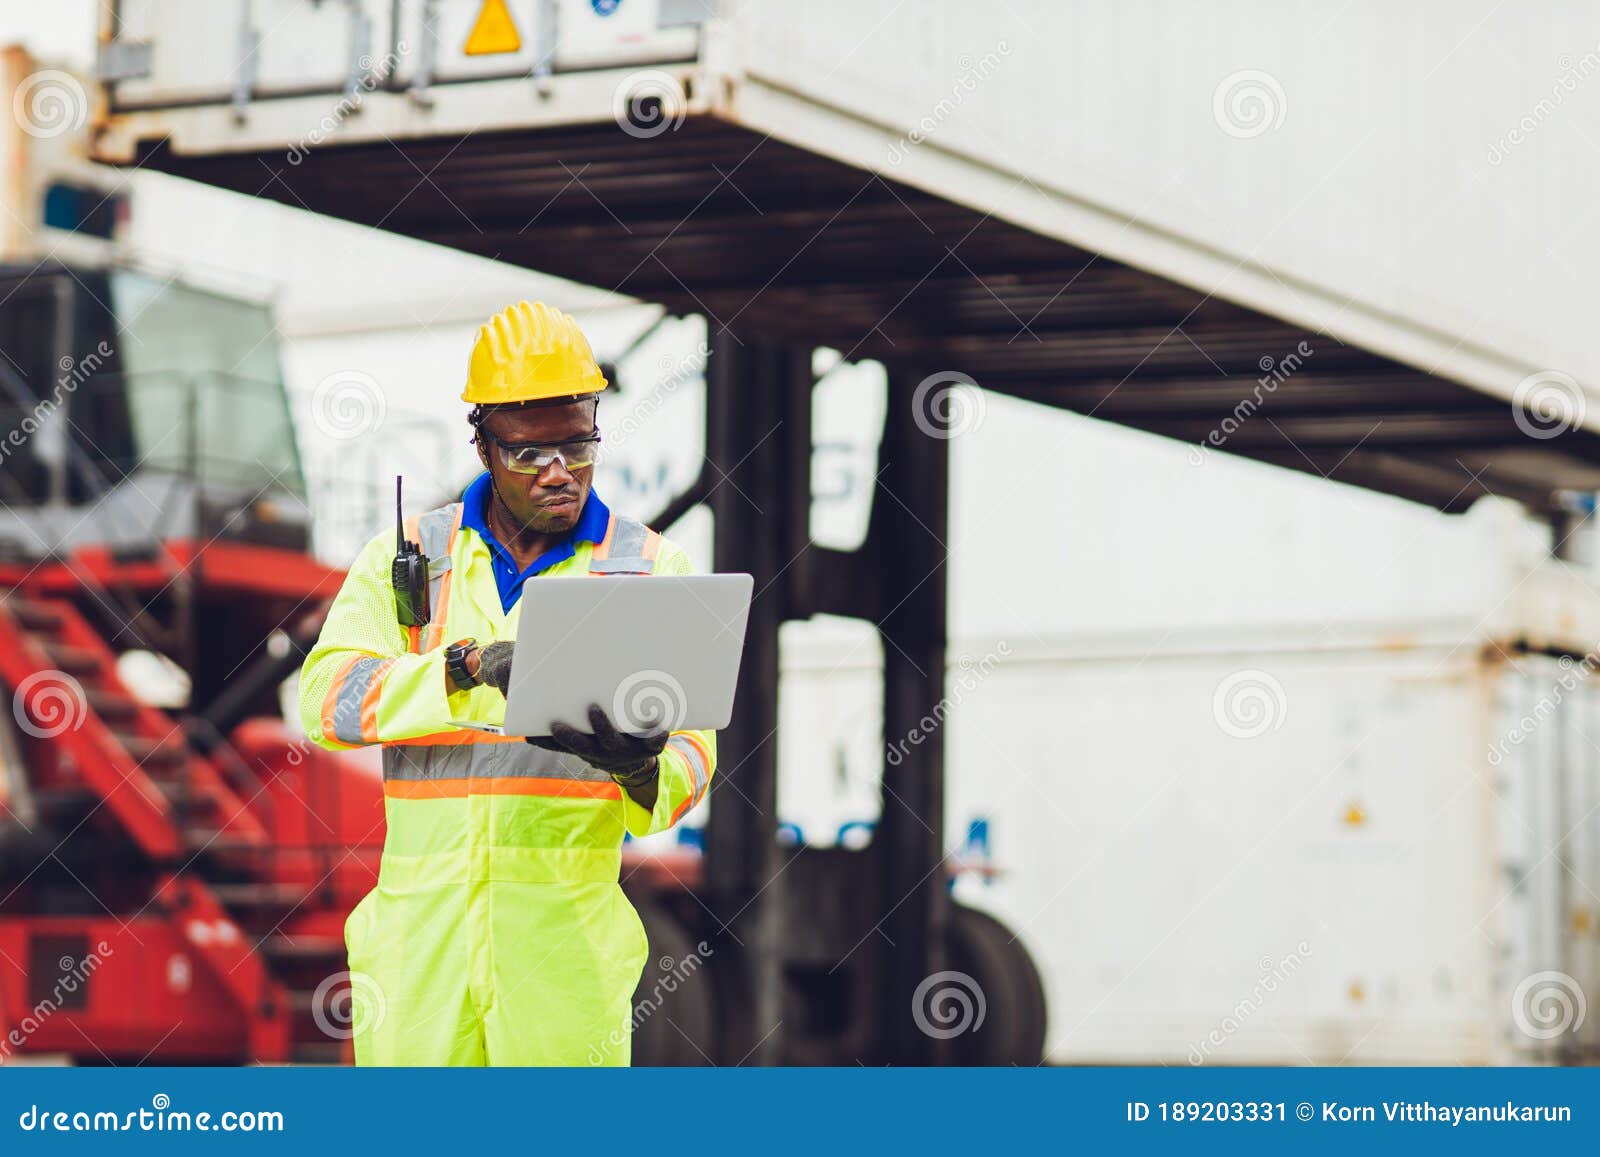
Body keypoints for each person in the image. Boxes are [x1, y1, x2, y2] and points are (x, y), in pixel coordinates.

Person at [299, 300, 715, 1066]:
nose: (560, 471)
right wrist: (459, 671)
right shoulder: (413, 559)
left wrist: (639, 766)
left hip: (563, 961)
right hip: (419, 959)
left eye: (577, 443)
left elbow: (692, 756)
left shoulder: (651, 569)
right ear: (484, 445)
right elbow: (326, 700)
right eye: (530, 453)